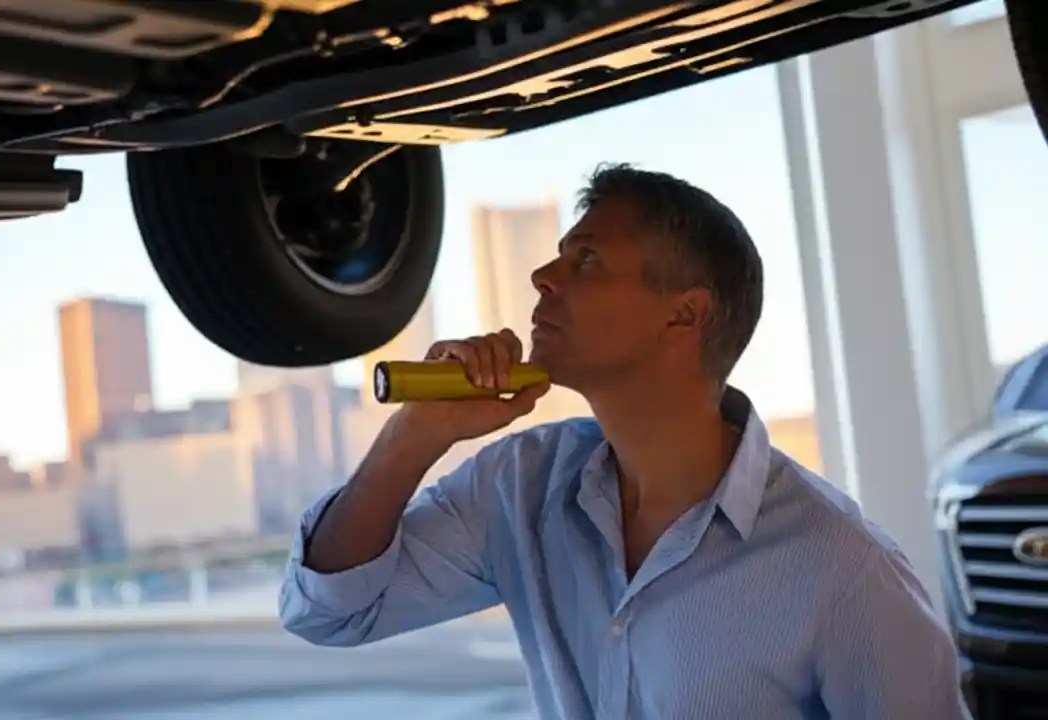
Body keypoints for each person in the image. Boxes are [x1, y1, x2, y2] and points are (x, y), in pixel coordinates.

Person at [277, 163, 969, 719]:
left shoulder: (844, 569)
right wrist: (416, 434)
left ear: (684, 314)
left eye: (586, 260)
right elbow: (331, 613)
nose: (542, 278)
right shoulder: (519, 486)